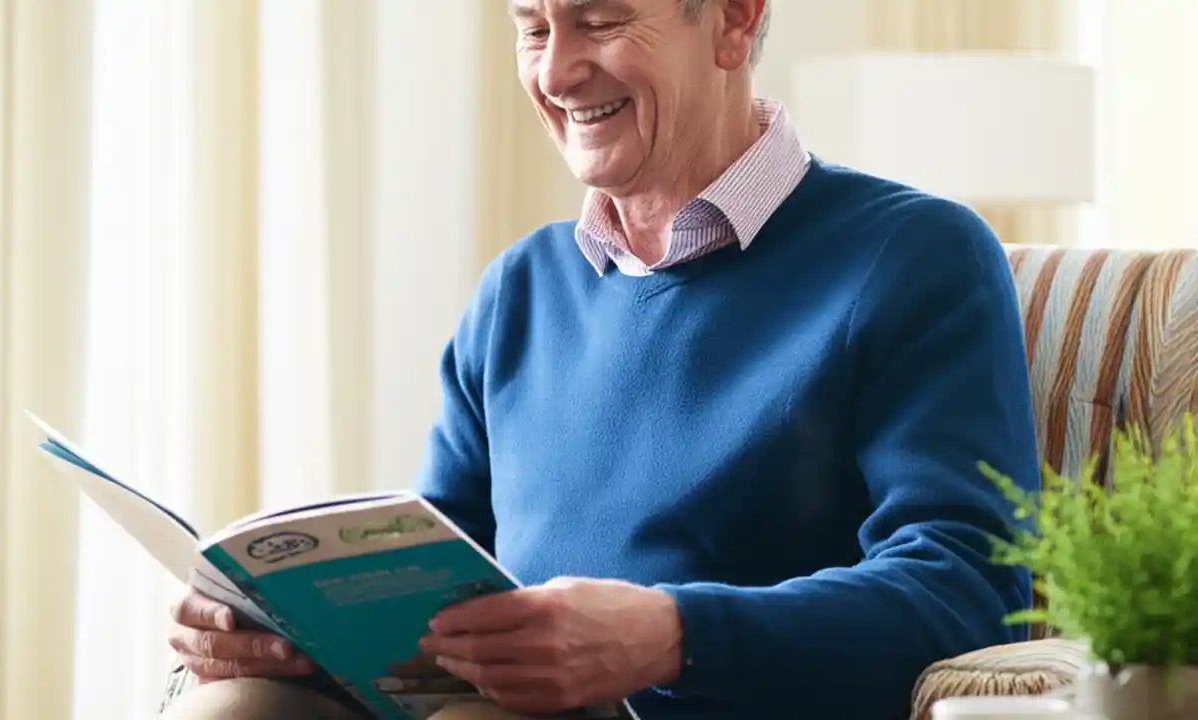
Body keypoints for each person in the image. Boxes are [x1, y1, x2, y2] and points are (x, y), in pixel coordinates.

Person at [162, 0, 1041, 718]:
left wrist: (672, 635)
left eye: (601, 21)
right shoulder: (521, 287)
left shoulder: (914, 254)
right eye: (535, 27)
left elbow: (967, 586)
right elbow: (427, 583)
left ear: (735, 21)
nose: (554, 72)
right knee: (233, 707)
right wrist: (277, 629)